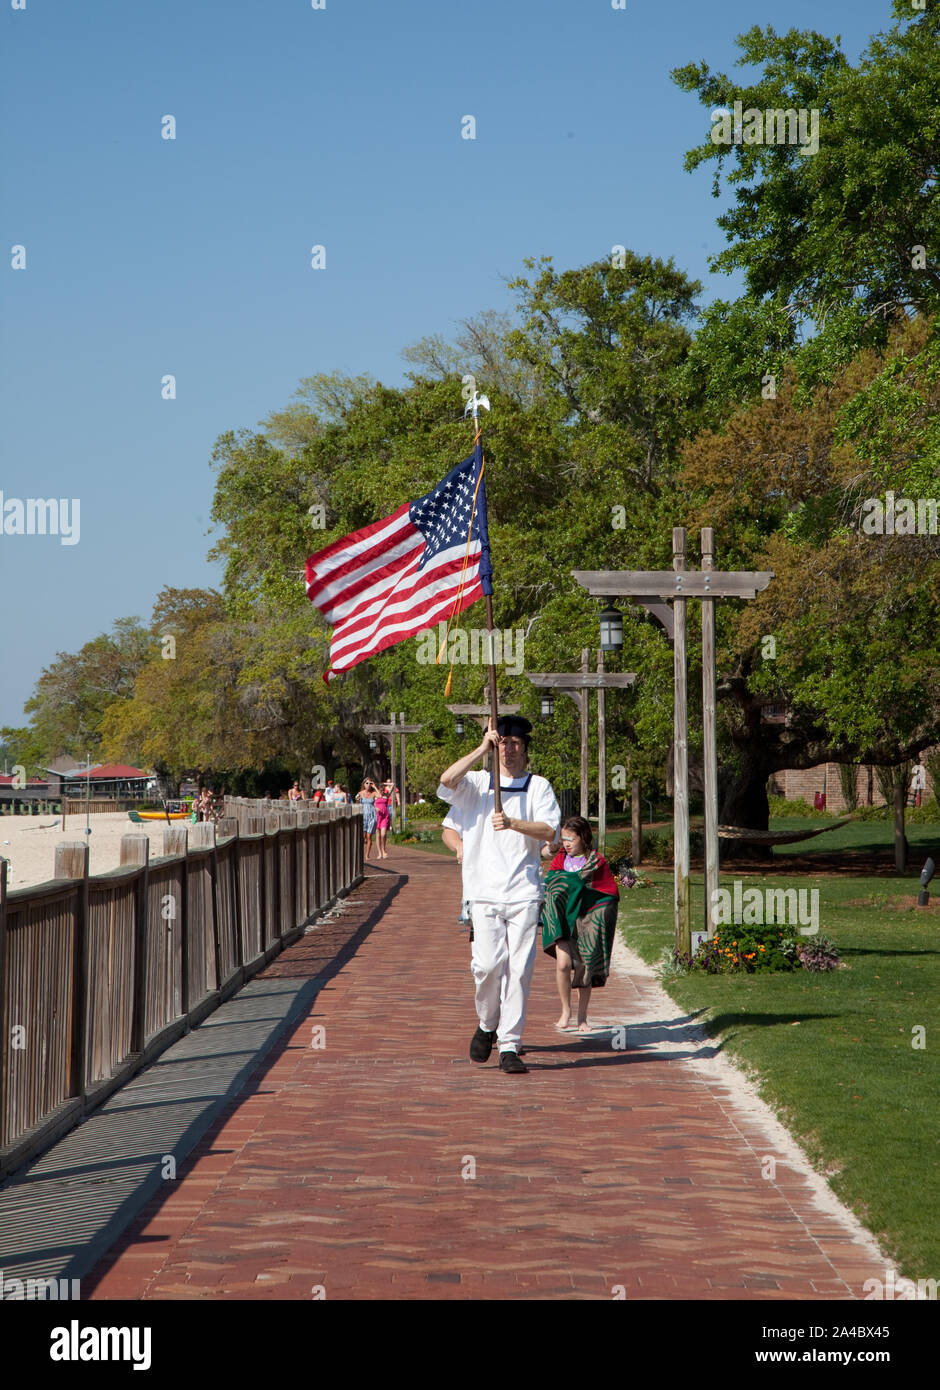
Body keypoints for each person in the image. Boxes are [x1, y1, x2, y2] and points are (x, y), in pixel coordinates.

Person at [438, 715, 560, 1075]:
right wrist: (481, 748)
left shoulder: (538, 786)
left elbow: (549, 829)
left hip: (523, 891)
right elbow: (445, 781)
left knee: (519, 970)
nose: (509, 748)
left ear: (525, 749)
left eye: (515, 743)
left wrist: (512, 823)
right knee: (488, 966)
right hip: (483, 892)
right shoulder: (477, 784)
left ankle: (509, 1045)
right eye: (503, 742)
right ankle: (487, 1022)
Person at [540, 815, 620, 1033]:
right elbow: (553, 886)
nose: (566, 843)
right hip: (564, 921)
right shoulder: (559, 860)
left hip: (588, 922)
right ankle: (565, 1010)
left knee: (584, 966)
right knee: (563, 964)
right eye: (563, 838)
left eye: (570, 839)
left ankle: (582, 1017)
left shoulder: (596, 861)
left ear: (583, 838)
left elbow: (606, 894)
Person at [357, 779, 378, 857]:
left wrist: (375, 786)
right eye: (367, 783)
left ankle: (367, 855)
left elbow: (380, 796)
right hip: (363, 816)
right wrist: (358, 799)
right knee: (363, 836)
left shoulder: (373, 793)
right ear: (364, 784)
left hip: (372, 816)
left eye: (370, 783)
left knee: (369, 836)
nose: (368, 785)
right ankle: (360, 853)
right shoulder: (360, 793)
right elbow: (356, 799)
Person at [373, 784, 392, 858]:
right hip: (377, 816)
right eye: (380, 789)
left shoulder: (386, 796)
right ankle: (380, 853)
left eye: (382, 789)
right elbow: (372, 805)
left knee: (383, 834)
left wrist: (384, 783)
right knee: (378, 835)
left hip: (385, 816)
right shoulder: (374, 796)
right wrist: (375, 808)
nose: (381, 791)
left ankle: (384, 850)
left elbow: (393, 785)